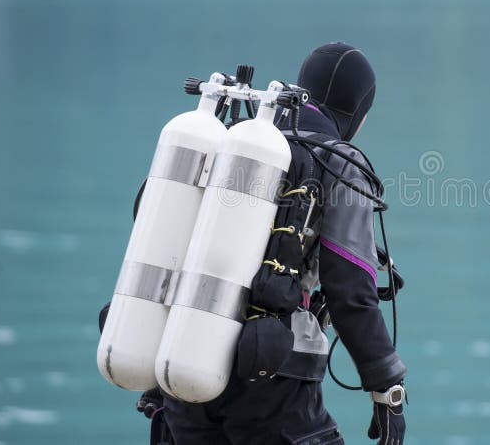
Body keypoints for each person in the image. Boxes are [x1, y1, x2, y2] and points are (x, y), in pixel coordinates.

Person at [106, 42, 407, 445]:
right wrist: (386, 389)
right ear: (358, 111)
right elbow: (350, 291)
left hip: (182, 364)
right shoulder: (339, 163)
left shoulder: (231, 140)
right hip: (274, 381)